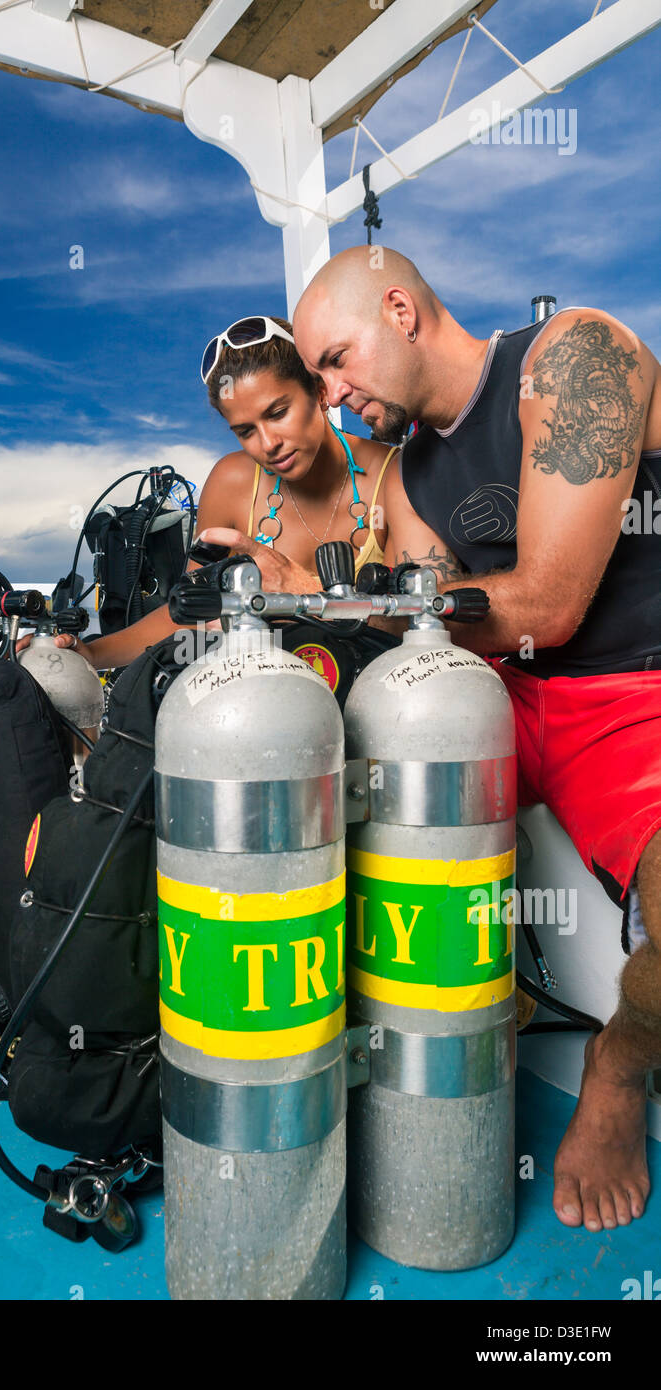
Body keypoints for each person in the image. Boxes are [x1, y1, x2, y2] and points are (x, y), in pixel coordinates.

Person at [292, 244, 661, 1236]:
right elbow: (422, 627)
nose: (331, 398)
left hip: (630, 696)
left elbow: (548, 599)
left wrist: (374, 603)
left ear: (400, 308)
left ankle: (617, 1065)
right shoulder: (411, 477)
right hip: (495, 694)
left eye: (334, 360)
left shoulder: (574, 354)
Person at [41, 315, 398, 670]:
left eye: (277, 413)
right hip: (265, 700)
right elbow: (188, 613)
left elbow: (423, 623)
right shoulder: (232, 482)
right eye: (245, 431)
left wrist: (301, 590)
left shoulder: (390, 476)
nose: (268, 444)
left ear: (320, 392)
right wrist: (91, 655)